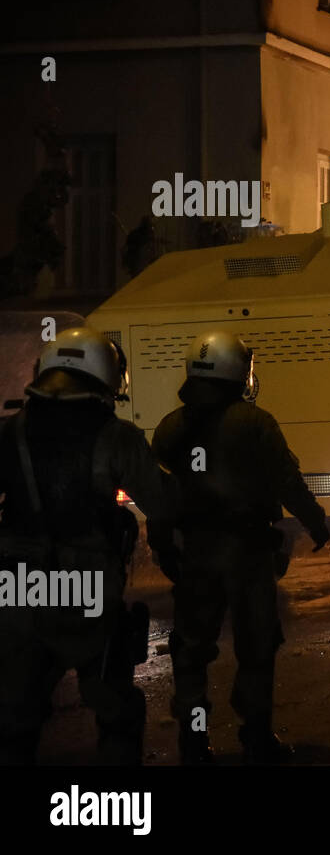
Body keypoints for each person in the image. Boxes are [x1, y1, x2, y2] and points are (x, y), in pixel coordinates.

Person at [149, 332, 330, 764]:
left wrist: (163, 546)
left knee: (191, 652)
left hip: (196, 554)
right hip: (249, 555)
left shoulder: (171, 427)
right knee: (256, 646)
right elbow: (288, 481)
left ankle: (194, 742)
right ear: (238, 372)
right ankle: (256, 739)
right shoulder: (256, 423)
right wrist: (317, 524)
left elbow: (159, 495)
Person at [0, 326, 179, 764]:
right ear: (106, 376)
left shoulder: (10, 433)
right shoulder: (118, 437)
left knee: (14, 716)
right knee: (115, 708)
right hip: (89, 589)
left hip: (17, 588)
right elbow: (162, 504)